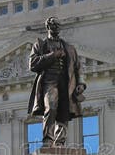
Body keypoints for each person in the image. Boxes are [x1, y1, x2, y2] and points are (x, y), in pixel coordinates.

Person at [28, 16, 86, 146]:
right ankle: (48, 139)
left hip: (65, 82)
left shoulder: (69, 48)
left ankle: (60, 141)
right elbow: (33, 63)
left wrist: (81, 84)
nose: (56, 28)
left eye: (58, 26)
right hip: (49, 81)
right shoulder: (40, 45)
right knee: (51, 107)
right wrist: (53, 55)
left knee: (64, 111)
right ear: (48, 27)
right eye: (54, 25)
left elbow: (77, 67)